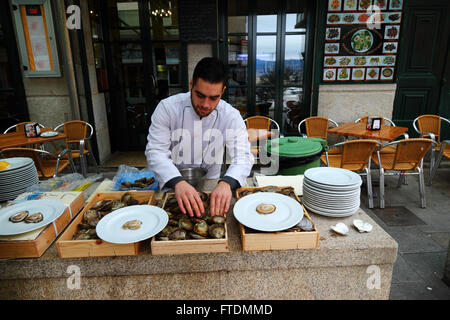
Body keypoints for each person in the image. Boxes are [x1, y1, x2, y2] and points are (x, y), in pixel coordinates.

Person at [145, 57, 253, 217]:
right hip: (174, 180)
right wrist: (177, 182)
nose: (205, 104)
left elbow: (243, 156)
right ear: (191, 85)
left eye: (213, 98)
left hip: (211, 181)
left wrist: (227, 183)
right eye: (200, 95)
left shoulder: (231, 116)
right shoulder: (167, 109)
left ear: (222, 91)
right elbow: (155, 152)